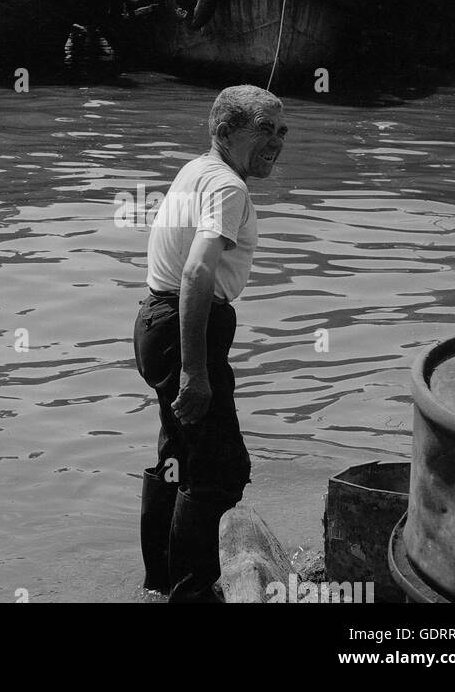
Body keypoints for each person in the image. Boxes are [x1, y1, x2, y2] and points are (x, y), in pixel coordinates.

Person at [132, 85, 287, 602]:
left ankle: (160, 583)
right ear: (224, 131)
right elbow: (198, 271)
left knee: (177, 457)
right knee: (220, 472)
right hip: (185, 328)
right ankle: (193, 592)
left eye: (282, 130)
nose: (277, 141)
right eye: (264, 129)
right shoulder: (228, 188)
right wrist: (196, 374)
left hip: (158, 322)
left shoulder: (196, 170)